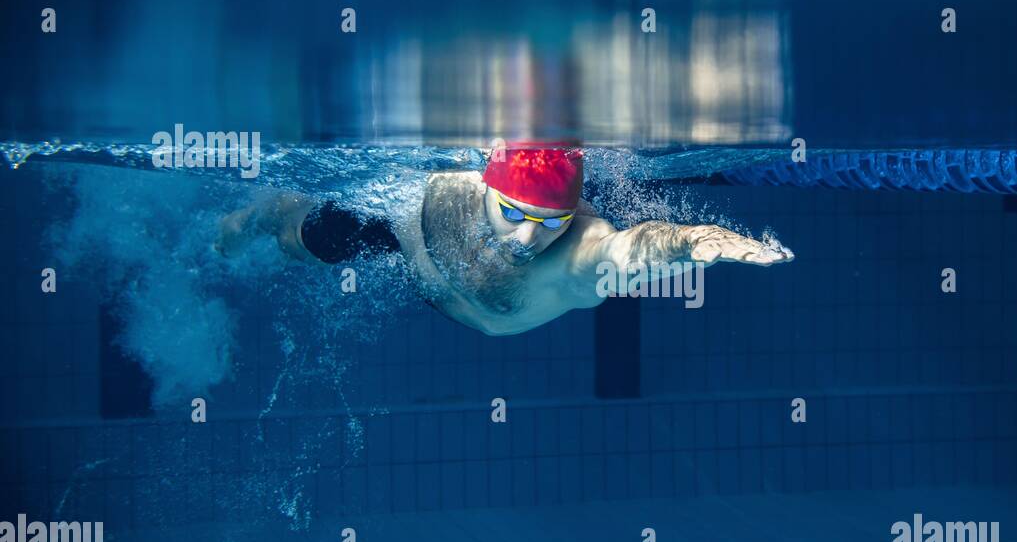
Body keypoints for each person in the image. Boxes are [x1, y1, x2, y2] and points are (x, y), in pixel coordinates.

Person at [216, 143, 793, 336]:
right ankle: (251, 219)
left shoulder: (578, 252)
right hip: (402, 233)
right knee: (301, 239)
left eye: (551, 221)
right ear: (484, 184)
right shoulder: (445, 177)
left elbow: (629, 249)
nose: (528, 237)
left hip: (440, 281)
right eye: (515, 212)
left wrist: (696, 242)